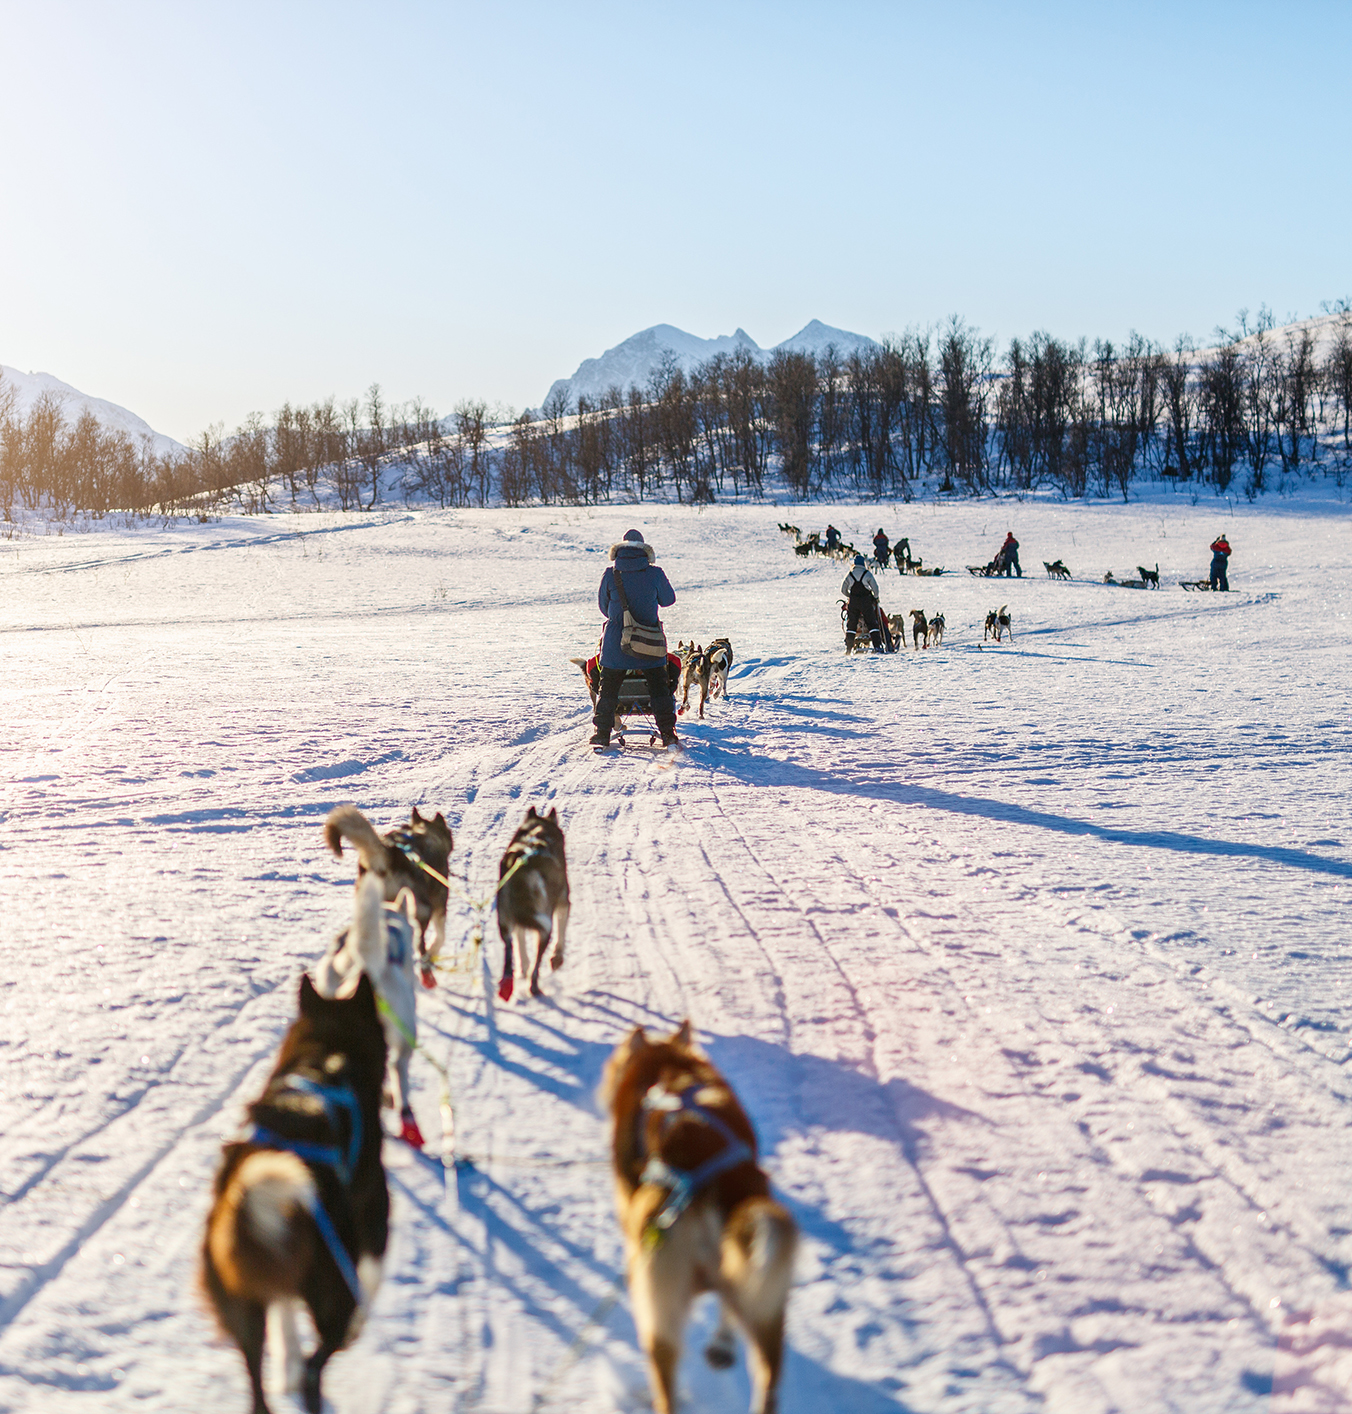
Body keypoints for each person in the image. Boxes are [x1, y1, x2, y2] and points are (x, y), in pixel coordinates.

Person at [590, 529, 679, 748]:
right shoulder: (655, 573)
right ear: (644, 550)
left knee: (608, 687)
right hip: (649, 644)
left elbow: (603, 608)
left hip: (615, 645)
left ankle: (601, 734)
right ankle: (667, 733)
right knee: (659, 686)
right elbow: (669, 600)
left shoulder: (610, 574)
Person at [841, 553, 884, 652]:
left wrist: (850, 596)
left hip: (853, 602)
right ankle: (877, 645)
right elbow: (875, 588)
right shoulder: (867, 573)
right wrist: (875, 597)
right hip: (866, 601)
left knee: (851, 624)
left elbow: (843, 589)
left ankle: (849, 648)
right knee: (872, 623)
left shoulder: (850, 574)